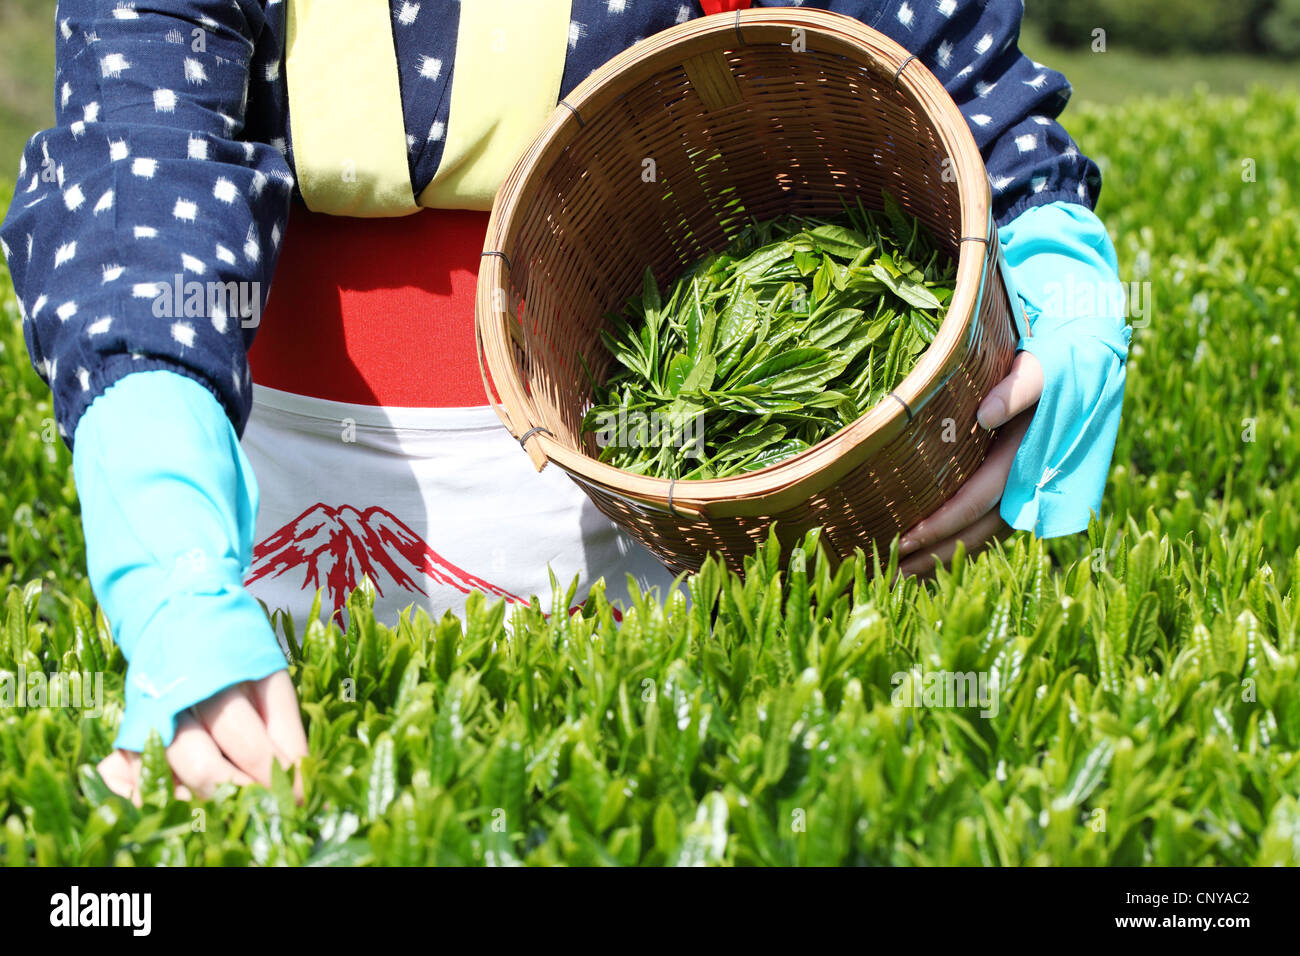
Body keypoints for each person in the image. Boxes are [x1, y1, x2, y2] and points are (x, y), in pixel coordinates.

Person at [0, 0, 1129, 801]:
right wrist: (169, 559)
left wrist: (1043, 249)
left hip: (656, 484)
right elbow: (139, 159)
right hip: (278, 479)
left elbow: (935, 66)